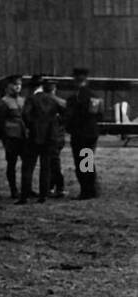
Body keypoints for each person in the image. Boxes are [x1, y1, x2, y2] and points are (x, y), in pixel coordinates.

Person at [22, 77, 65, 203]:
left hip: (34, 136)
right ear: (53, 89)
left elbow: (25, 114)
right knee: (46, 167)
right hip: (50, 137)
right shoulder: (55, 100)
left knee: (28, 167)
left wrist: (32, 125)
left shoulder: (32, 99)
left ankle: (24, 195)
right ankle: (43, 195)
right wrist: (57, 125)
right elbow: (66, 113)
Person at [65, 67, 101, 199]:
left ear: (75, 80)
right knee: (88, 160)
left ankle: (86, 191)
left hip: (79, 134)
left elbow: (69, 117)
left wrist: (70, 127)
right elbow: (98, 115)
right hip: (92, 133)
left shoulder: (74, 98)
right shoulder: (95, 96)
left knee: (81, 163)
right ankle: (92, 189)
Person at [0, 77, 27, 200]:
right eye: (15, 84)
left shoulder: (23, 101)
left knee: (27, 163)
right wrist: (2, 135)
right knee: (12, 163)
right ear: (8, 87)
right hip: (11, 136)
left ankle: (26, 189)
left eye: (19, 84)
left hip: (23, 136)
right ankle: (14, 190)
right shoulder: (4, 102)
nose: (18, 87)